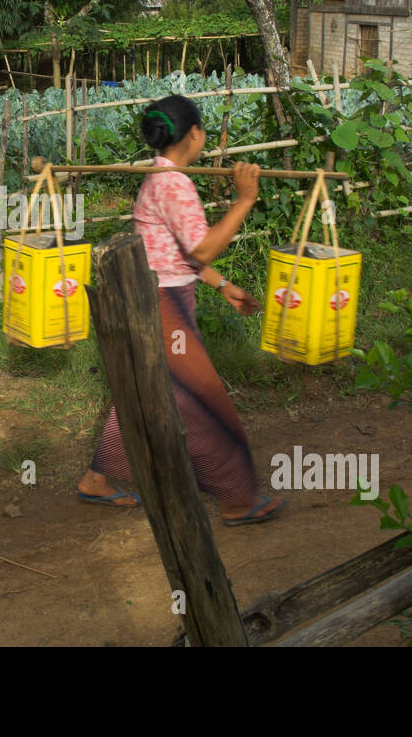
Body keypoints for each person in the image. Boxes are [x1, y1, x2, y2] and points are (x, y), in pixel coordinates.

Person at [76, 94, 286, 526]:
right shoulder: (174, 184)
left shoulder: (158, 176)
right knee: (203, 401)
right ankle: (237, 498)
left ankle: (98, 477)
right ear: (194, 133)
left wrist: (222, 284)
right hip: (163, 306)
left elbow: (175, 254)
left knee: (145, 391)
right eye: (203, 130)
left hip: (153, 298)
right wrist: (245, 199)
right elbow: (201, 247)